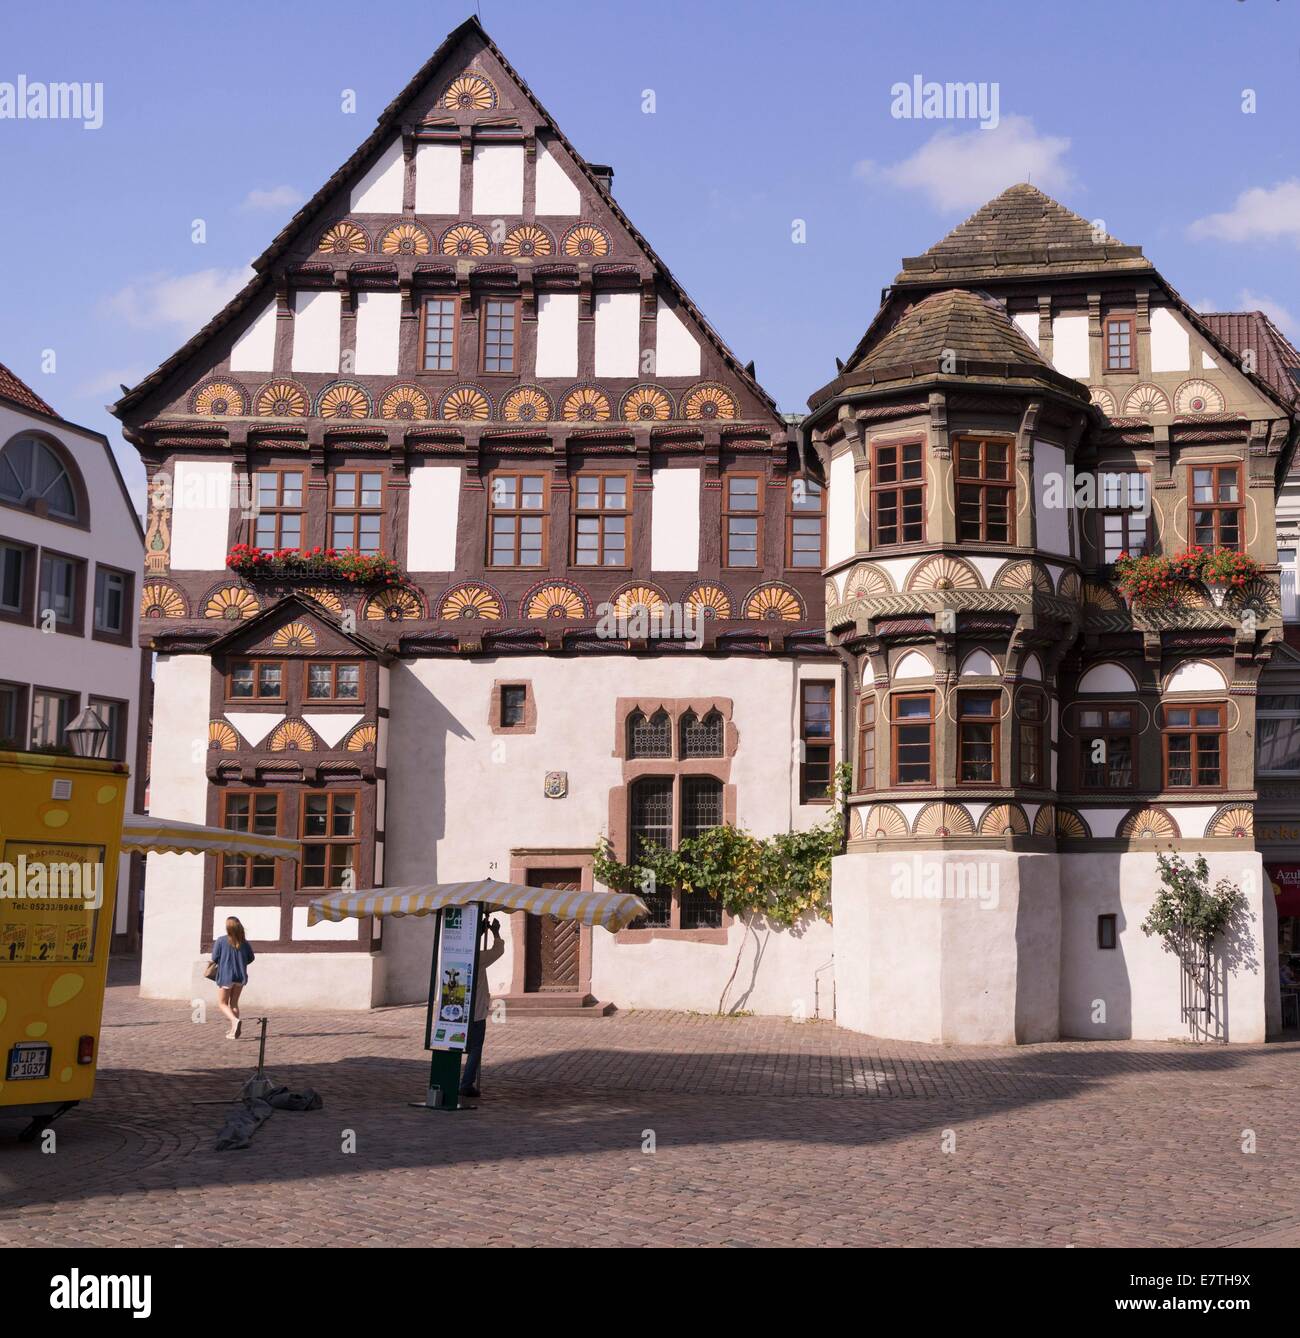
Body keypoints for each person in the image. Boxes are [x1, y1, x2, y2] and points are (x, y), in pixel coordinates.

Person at [459, 916, 505, 1098]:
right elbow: (498, 950)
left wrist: (479, 933)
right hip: (476, 1011)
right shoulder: (477, 958)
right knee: (475, 1048)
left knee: (456, 1046)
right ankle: (466, 1083)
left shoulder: (458, 954)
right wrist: (495, 932)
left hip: (456, 1010)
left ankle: (454, 1080)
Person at [210, 916, 255, 1040]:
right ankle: (233, 1029)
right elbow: (251, 958)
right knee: (234, 1003)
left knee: (222, 1003)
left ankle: (235, 1021)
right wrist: (241, 962)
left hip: (226, 976)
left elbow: (214, 958)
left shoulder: (221, 941)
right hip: (240, 976)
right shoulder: (244, 942)